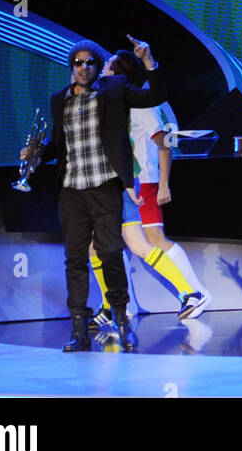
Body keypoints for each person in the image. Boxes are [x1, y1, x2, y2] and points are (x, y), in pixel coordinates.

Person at [26, 35, 166, 353]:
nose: (85, 67)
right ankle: (79, 331)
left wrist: (147, 61)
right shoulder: (59, 99)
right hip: (72, 191)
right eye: (79, 63)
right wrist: (35, 153)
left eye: (91, 63)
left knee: (111, 255)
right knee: (75, 260)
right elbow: (58, 147)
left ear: (98, 67)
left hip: (105, 186)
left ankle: (122, 322)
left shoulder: (115, 90)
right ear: (71, 67)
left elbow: (156, 94)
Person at [88, 49, 210, 325]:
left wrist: (164, 183)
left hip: (143, 181)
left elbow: (163, 144)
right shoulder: (112, 102)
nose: (102, 70)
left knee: (148, 241)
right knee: (105, 245)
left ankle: (193, 292)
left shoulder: (141, 104)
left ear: (117, 74)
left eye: (107, 67)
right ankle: (118, 306)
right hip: (120, 182)